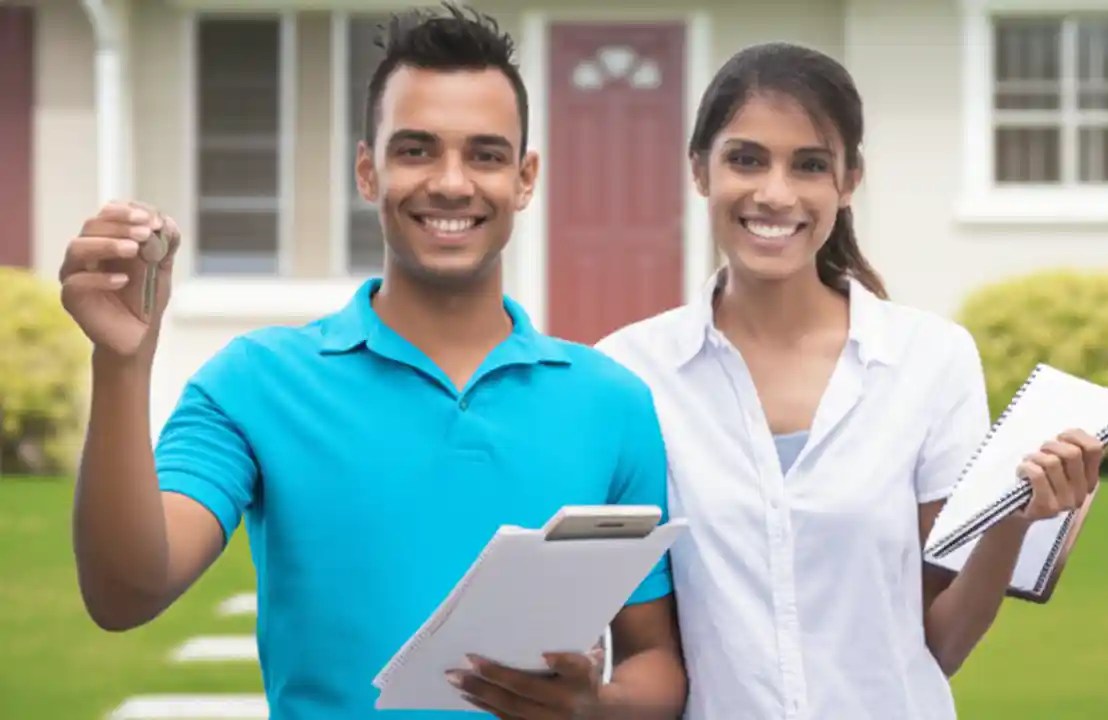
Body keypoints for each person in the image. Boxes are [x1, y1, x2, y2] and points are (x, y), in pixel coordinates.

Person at [60, 5, 685, 719]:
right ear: (367, 170)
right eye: (416, 150)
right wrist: (122, 365)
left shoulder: (612, 403)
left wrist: (595, 708)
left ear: (524, 177)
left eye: (485, 154)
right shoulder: (256, 383)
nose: (452, 183)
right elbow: (124, 594)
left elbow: (656, 659)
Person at [595, 42, 1106, 719]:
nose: (775, 193)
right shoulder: (629, 373)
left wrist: (1012, 519)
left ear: (848, 181)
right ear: (699, 169)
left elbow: (942, 642)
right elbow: (636, 645)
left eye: (810, 165)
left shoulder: (931, 360)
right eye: (746, 159)